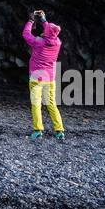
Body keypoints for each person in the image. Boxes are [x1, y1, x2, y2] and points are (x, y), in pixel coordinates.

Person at [22, 9, 65, 141]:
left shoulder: (38, 42)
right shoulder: (57, 42)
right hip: (50, 78)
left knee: (36, 104)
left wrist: (30, 20)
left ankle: (38, 130)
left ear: (46, 32)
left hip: (36, 78)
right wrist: (43, 19)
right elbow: (51, 31)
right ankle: (59, 131)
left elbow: (26, 34)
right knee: (51, 104)